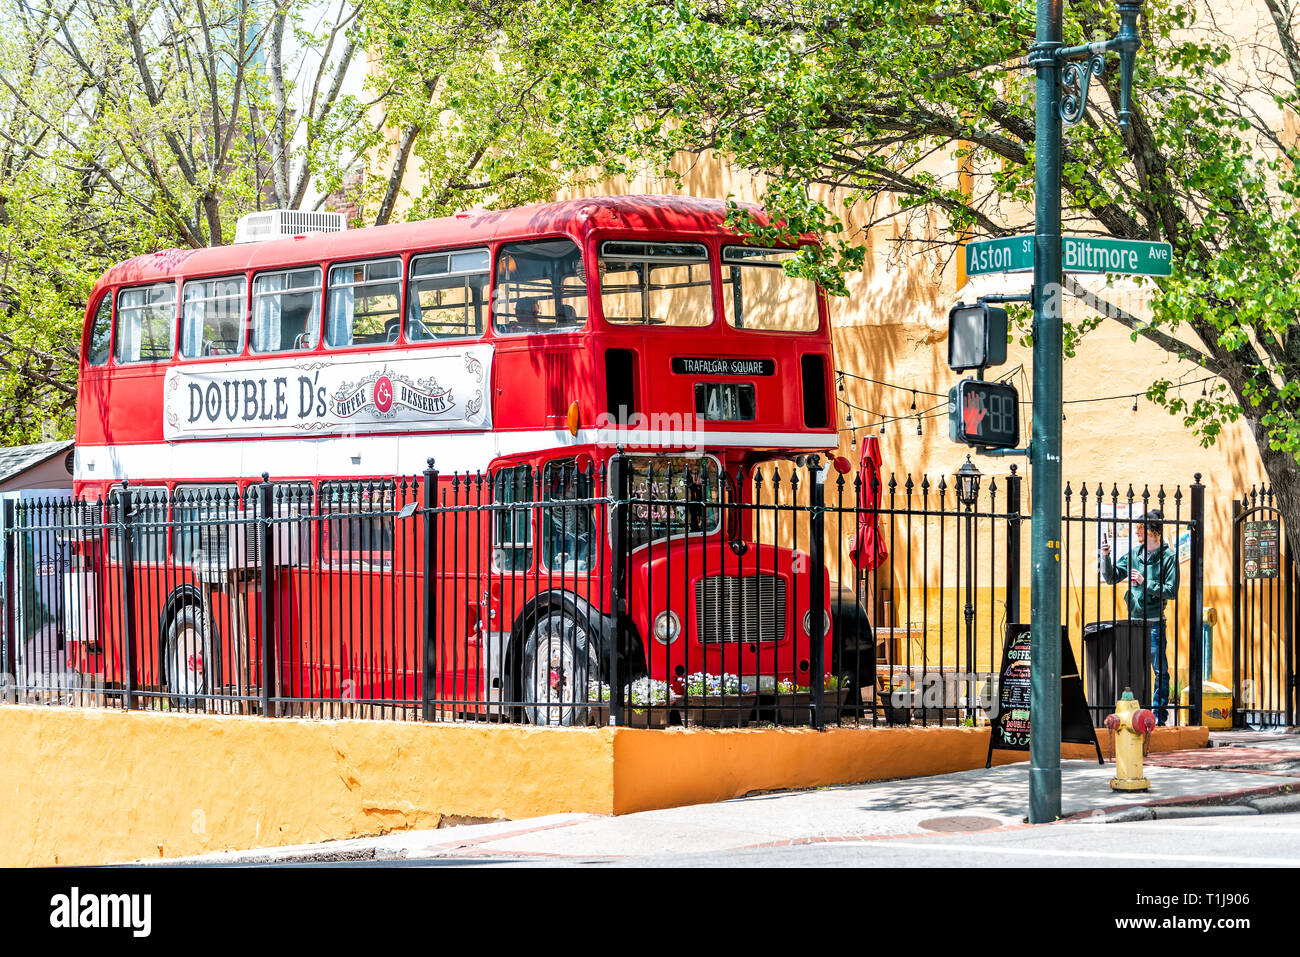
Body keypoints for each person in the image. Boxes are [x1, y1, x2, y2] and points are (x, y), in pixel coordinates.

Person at [1100, 509, 1180, 725]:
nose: (1137, 533)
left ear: (1153, 531)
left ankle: (1158, 716)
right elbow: (1111, 577)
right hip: (1132, 623)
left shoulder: (1169, 557)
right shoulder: (1135, 554)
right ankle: (1132, 713)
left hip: (1154, 623)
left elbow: (1172, 590)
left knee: (1159, 670)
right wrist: (1105, 557)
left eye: (1140, 529)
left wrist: (1146, 582)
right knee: (1131, 667)